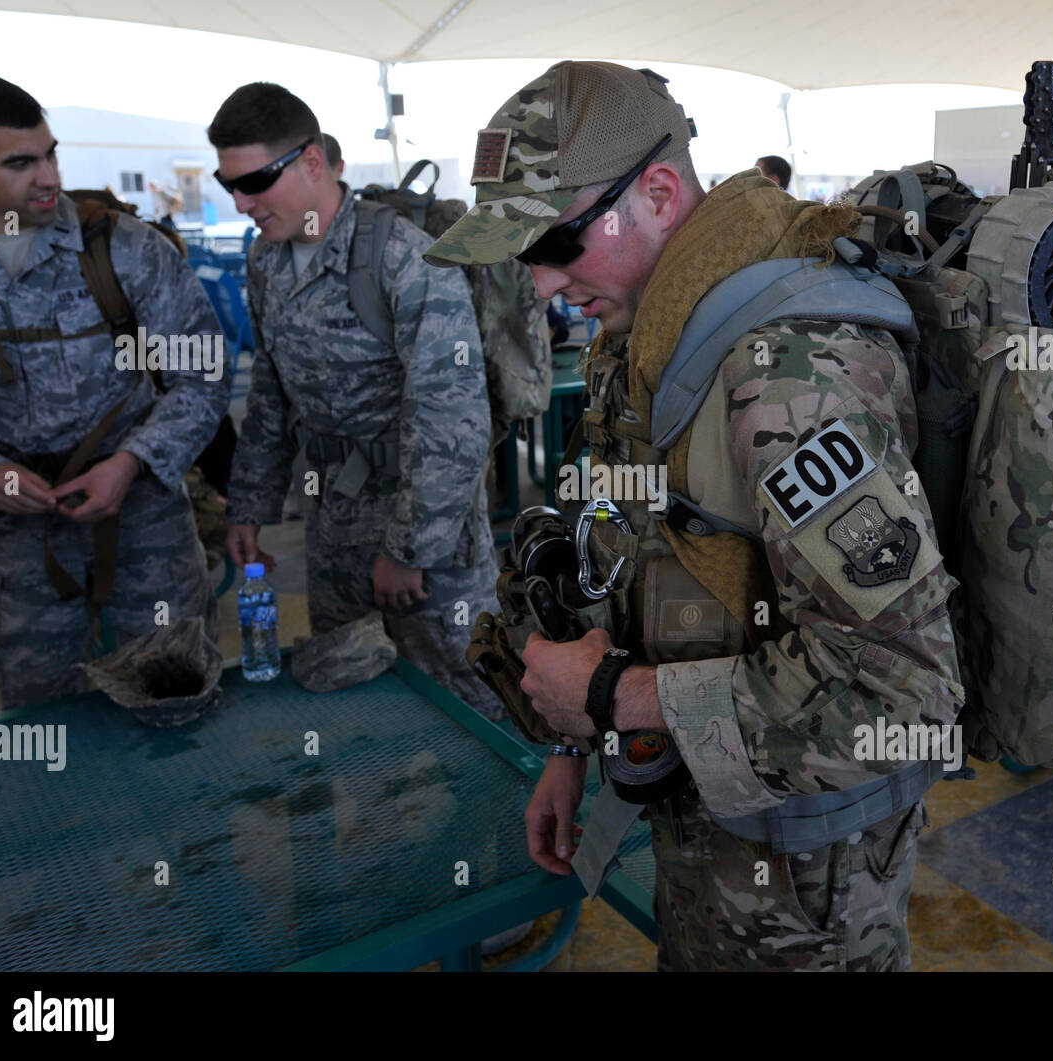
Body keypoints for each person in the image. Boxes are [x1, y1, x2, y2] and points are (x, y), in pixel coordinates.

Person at [426, 61, 963, 971]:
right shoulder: (645, 335)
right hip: (702, 819)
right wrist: (572, 736)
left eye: (554, 246)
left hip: (805, 876)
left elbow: (903, 693)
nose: (546, 286)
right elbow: (621, 542)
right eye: (525, 260)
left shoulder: (791, 376)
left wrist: (612, 697)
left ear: (661, 193)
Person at [207, 83, 500, 718]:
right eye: (228, 183)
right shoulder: (266, 259)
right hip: (331, 523)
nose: (240, 201)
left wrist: (408, 550)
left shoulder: (404, 255)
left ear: (312, 162)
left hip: (430, 540)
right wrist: (249, 509)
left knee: (465, 709)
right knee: (356, 705)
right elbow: (270, 394)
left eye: (255, 180)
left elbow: (453, 416)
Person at [0, 73, 228, 707]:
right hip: (23, 545)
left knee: (174, 700)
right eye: (20, 163)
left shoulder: (124, 250)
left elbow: (203, 376)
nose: (49, 176)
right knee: (42, 719)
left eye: (51, 153)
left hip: (146, 530)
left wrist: (131, 462)